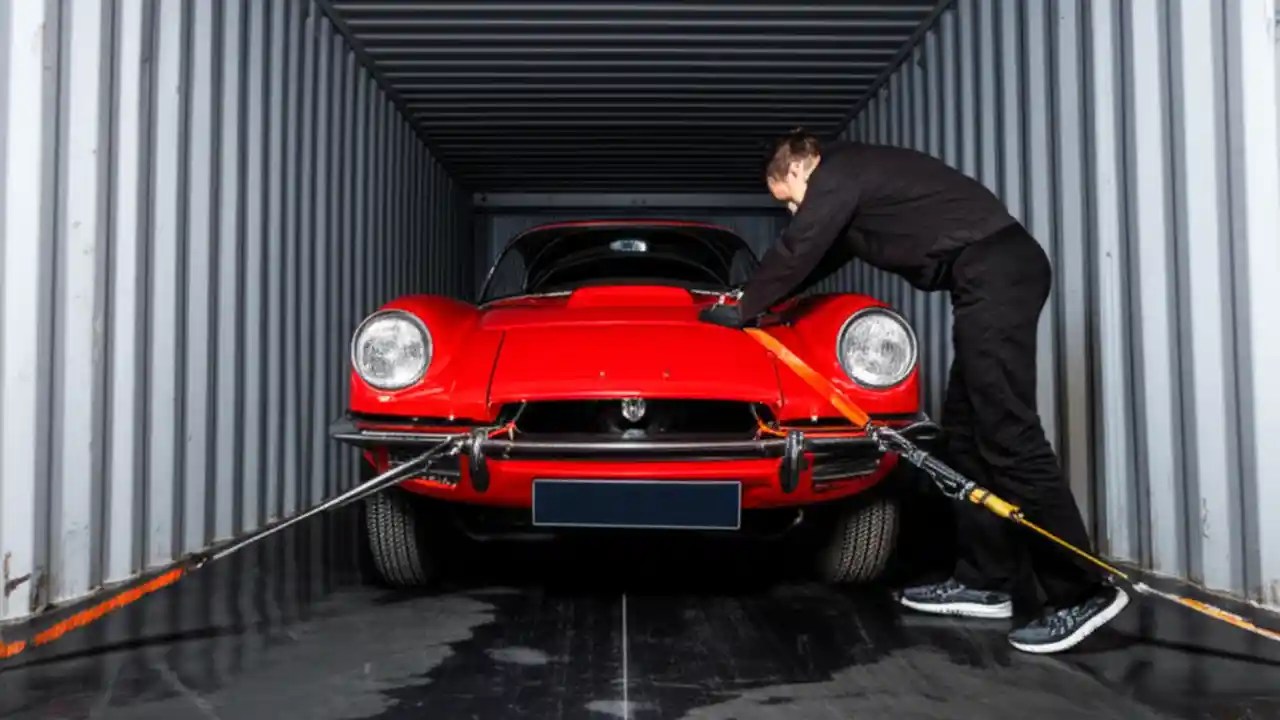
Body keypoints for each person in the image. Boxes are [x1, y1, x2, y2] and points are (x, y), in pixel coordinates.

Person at [698, 130, 1128, 654]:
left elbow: (801, 245)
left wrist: (741, 312)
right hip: (984, 279)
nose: (793, 212)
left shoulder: (839, 170)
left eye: (789, 200)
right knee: (966, 436)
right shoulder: (856, 192)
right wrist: (757, 301)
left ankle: (1081, 591)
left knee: (1010, 432)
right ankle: (984, 580)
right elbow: (817, 256)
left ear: (798, 169)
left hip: (997, 270)